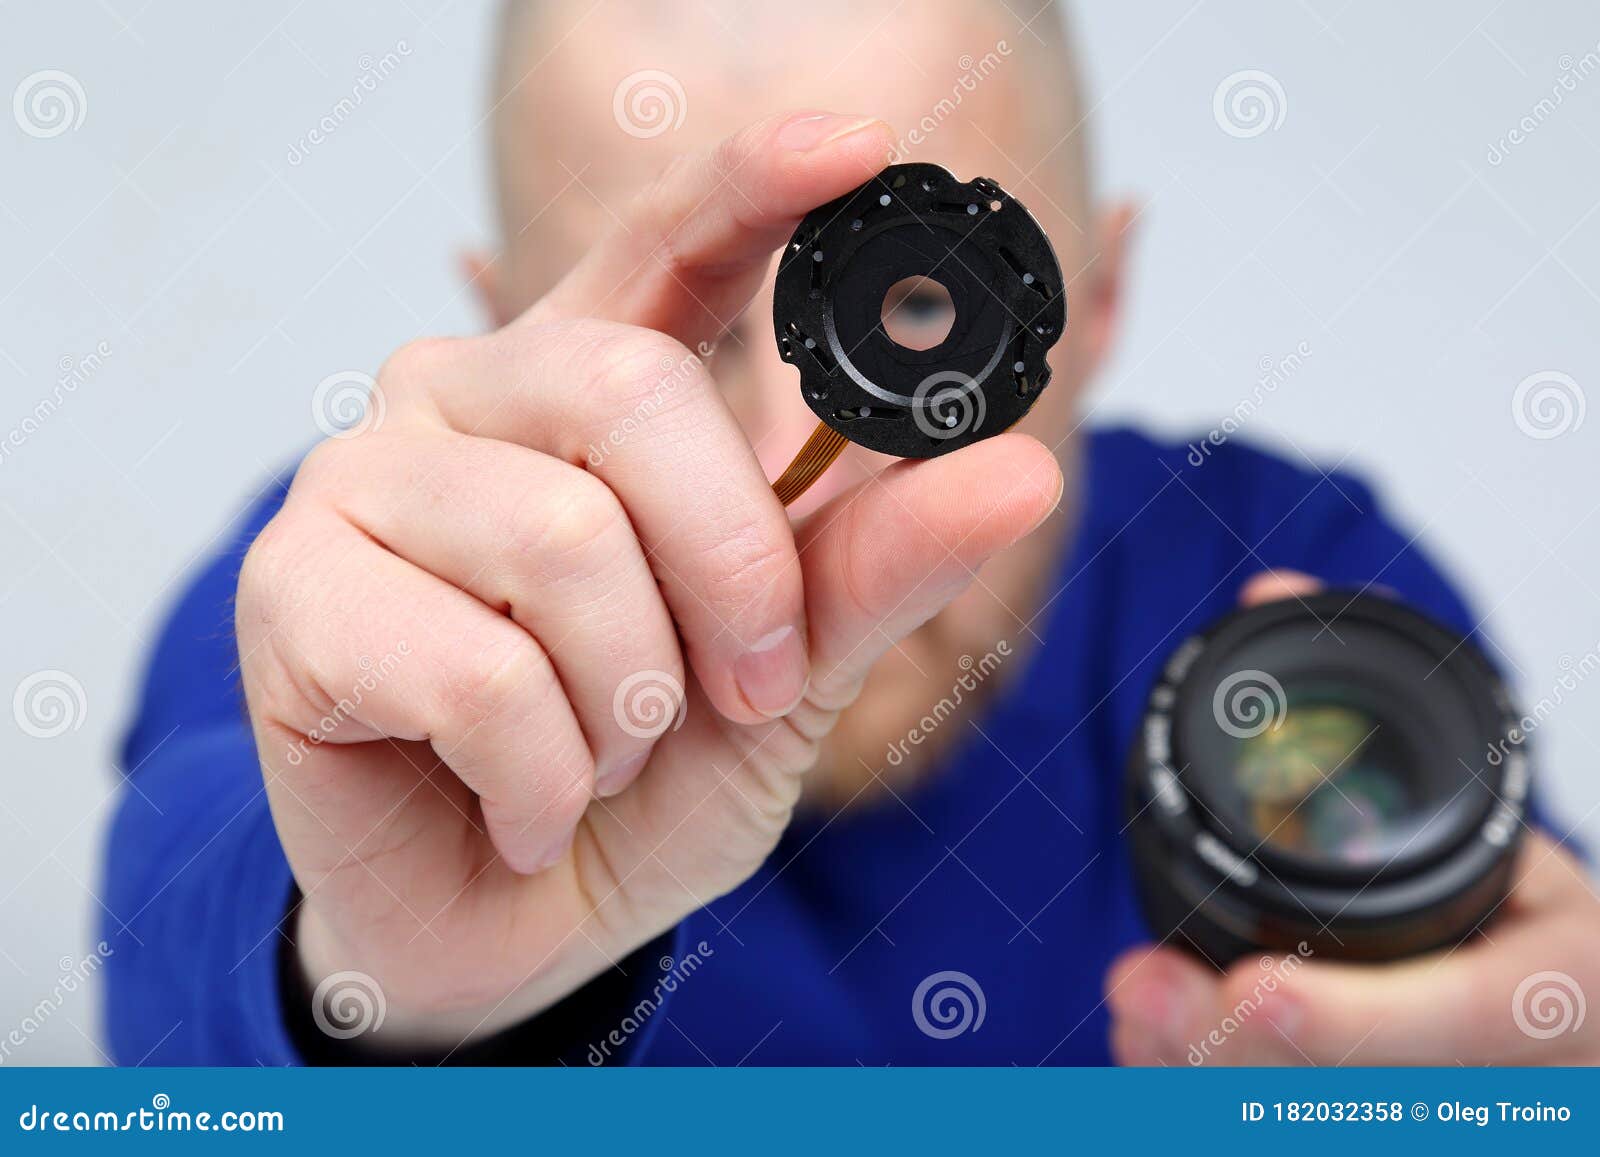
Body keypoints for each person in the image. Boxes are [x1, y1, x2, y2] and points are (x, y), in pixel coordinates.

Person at [104, 0, 1598, 1066]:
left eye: (921, 312)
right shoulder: (364, 590)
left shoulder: (1286, 567)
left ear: (1098, 298)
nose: (792, 471)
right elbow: (174, 961)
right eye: (681, 341)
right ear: (508, 328)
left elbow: (1540, 950)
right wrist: (379, 988)